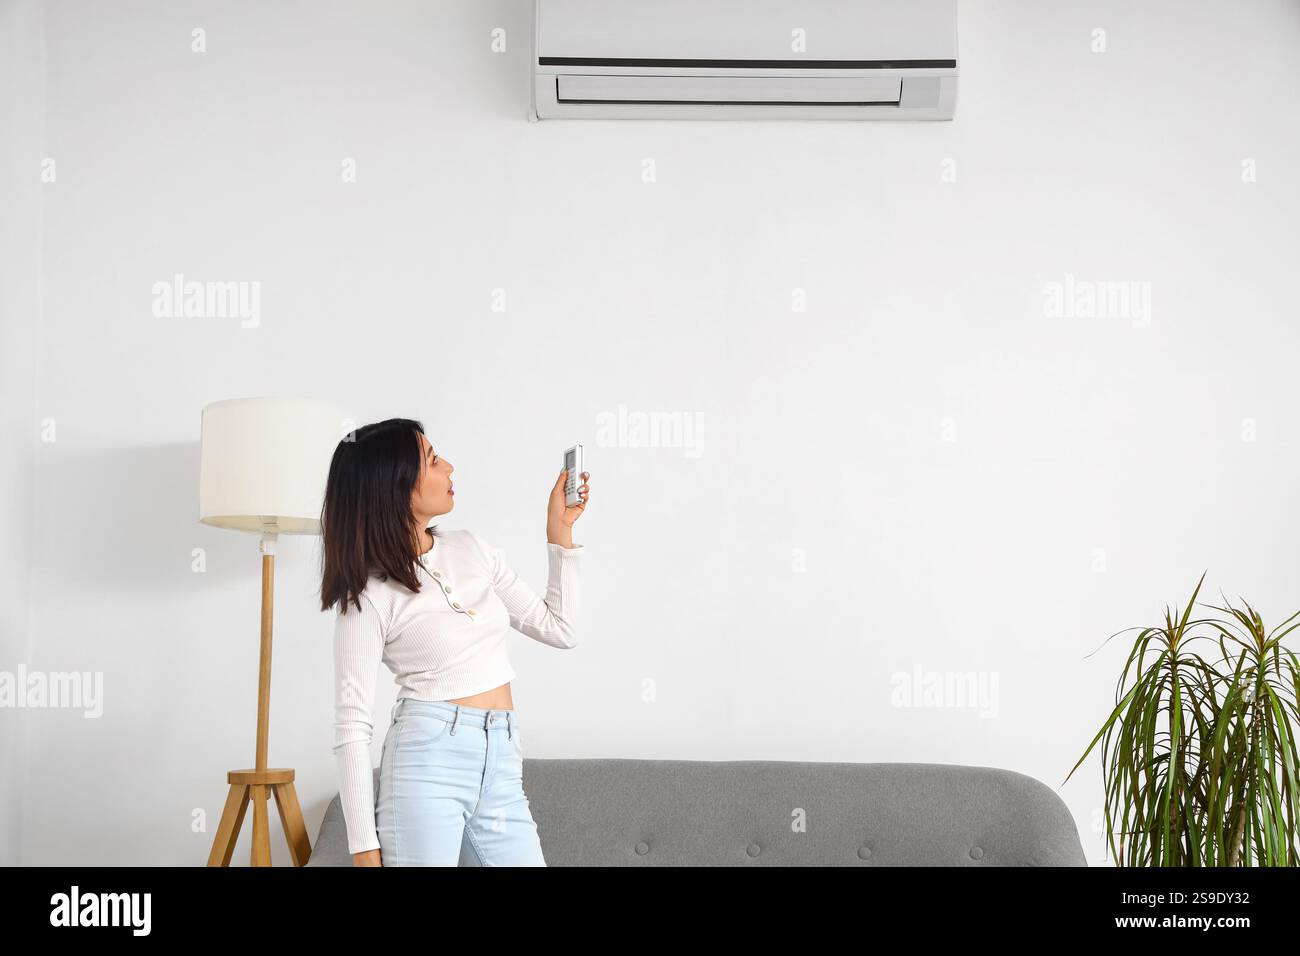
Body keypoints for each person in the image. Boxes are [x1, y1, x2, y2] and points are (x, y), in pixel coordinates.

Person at [318, 418, 590, 865]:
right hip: (427, 763)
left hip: (501, 758)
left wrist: (559, 533)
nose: (449, 466)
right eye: (432, 459)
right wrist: (362, 844)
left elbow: (559, 627)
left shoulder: (472, 549)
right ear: (394, 484)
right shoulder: (368, 593)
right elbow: (352, 724)